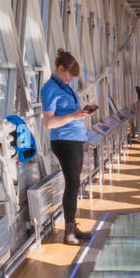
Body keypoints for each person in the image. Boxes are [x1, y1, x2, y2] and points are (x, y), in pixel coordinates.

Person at [41, 49, 95, 245]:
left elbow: (68, 113)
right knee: (71, 185)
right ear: (60, 68)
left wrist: (80, 113)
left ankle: (72, 227)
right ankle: (68, 232)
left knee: (74, 184)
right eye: (68, 75)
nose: (70, 80)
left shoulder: (65, 88)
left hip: (74, 139)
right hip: (64, 142)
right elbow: (49, 123)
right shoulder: (50, 89)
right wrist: (74, 116)